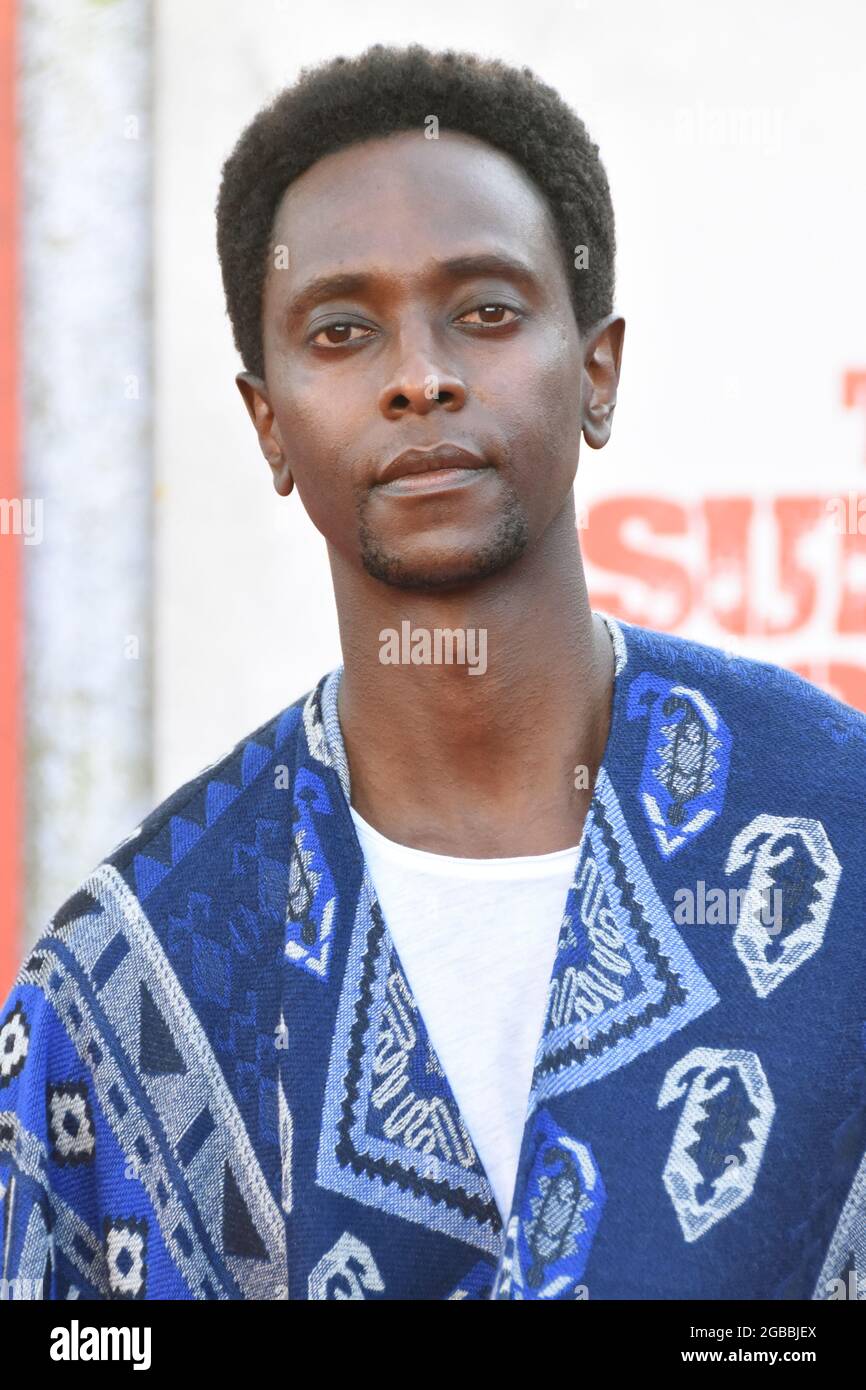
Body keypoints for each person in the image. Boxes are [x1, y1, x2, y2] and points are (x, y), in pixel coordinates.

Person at [2, 42, 865, 1302]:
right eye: (342, 330)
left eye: (486, 311)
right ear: (268, 425)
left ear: (598, 372)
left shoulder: (829, 827)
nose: (420, 376)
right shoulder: (130, 977)